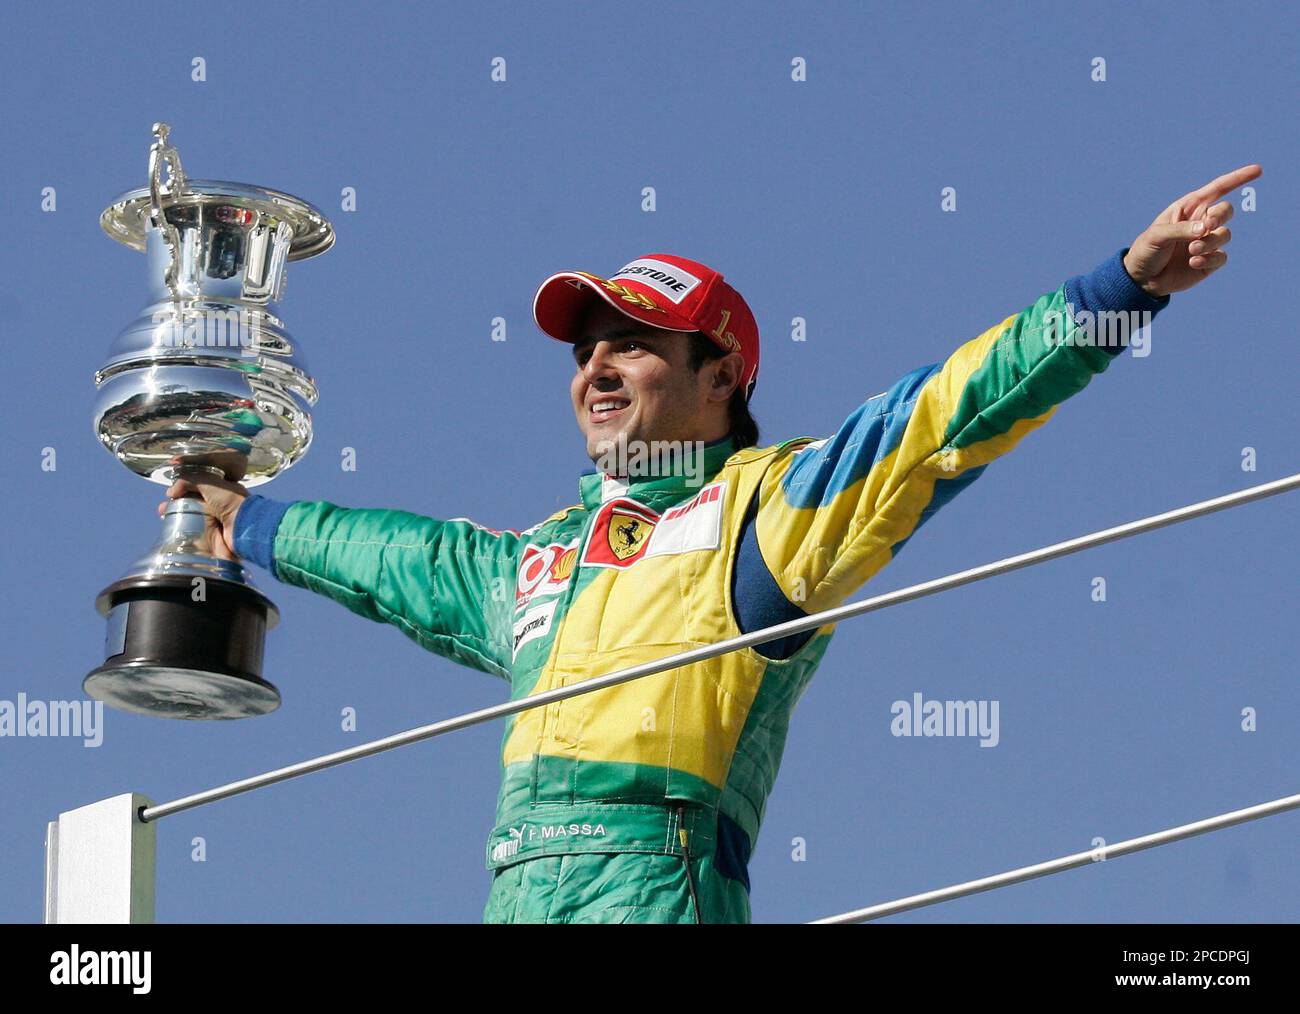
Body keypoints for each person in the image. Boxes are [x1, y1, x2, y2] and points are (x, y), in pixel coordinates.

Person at [164, 164, 1260, 923]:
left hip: (662, 884)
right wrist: (244, 520)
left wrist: (1122, 289)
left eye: (633, 346)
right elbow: (403, 560)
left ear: (719, 376)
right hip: (512, 893)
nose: (595, 368)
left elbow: (944, 416)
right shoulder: (541, 558)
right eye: (585, 349)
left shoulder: (772, 509)